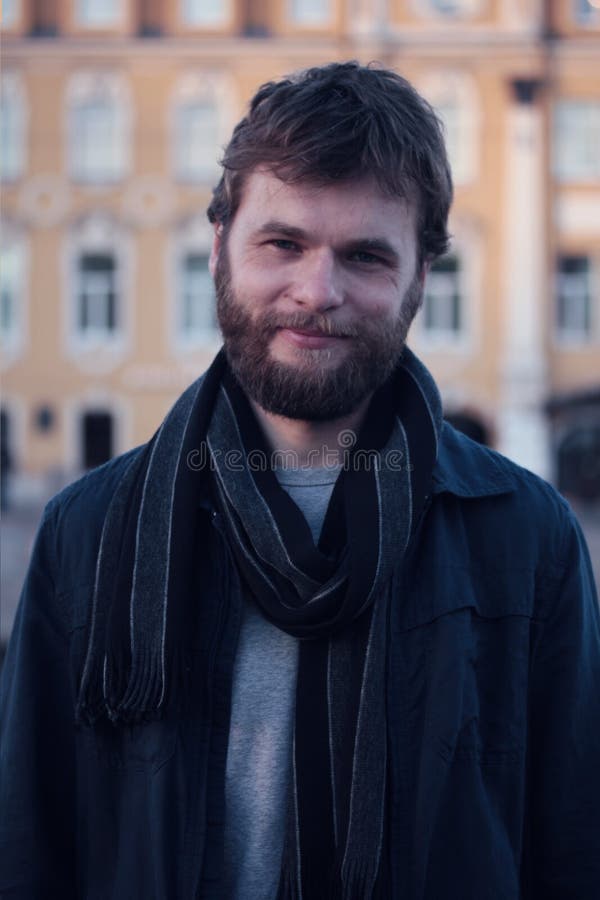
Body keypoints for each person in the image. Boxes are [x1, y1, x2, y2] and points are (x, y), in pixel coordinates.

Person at [1, 61, 599, 900]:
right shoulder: (88, 534)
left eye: (365, 256)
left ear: (421, 279)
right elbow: (29, 848)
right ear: (219, 247)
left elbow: (572, 850)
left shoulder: (527, 538)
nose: (317, 292)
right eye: (283, 243)